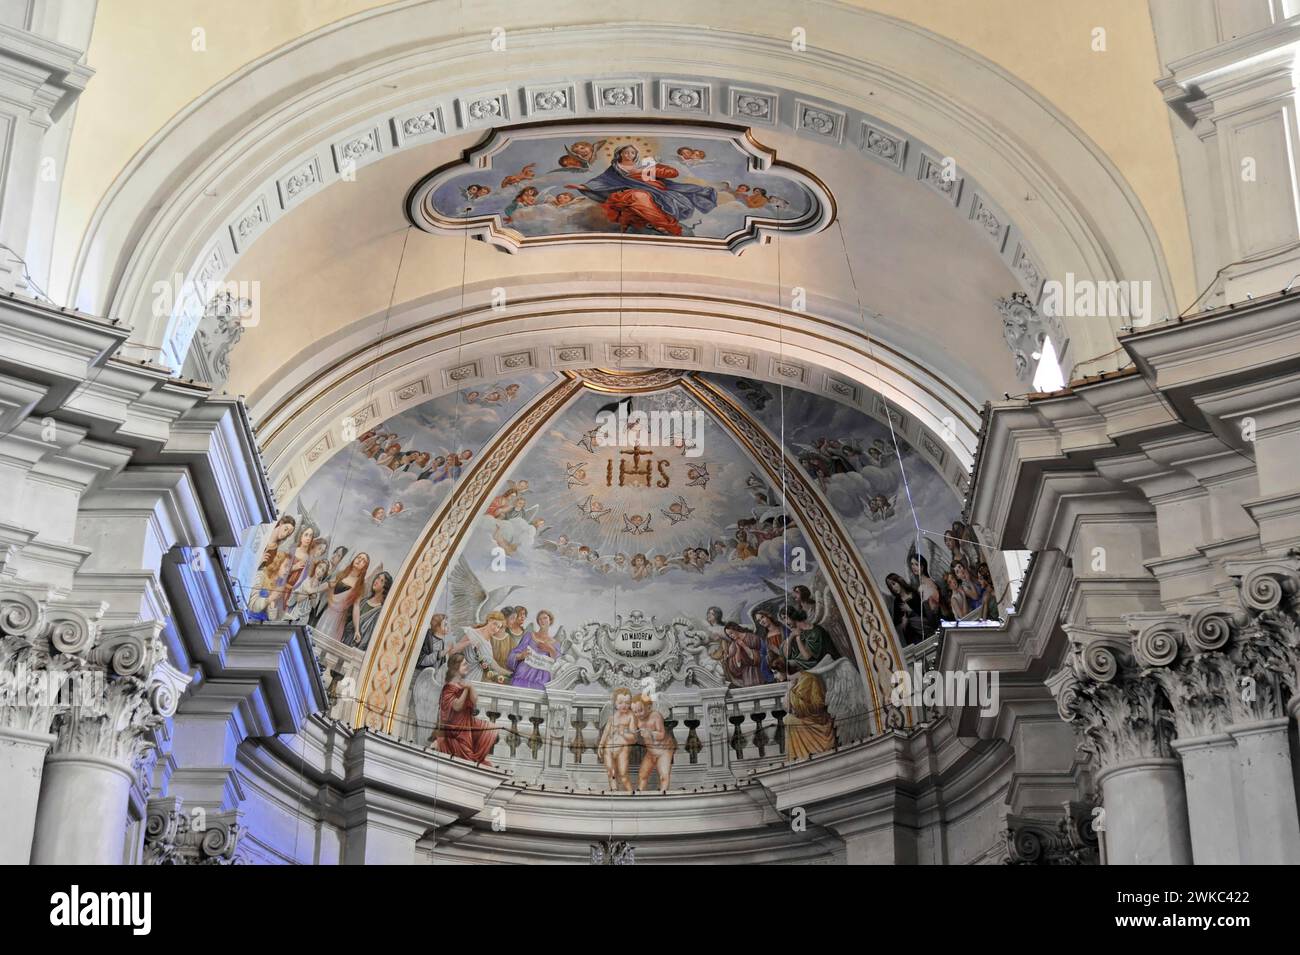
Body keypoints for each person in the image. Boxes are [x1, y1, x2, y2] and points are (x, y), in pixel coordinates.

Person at [565, 144, 717, 236]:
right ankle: (667, 226)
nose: (629, 155)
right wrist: (584, 187)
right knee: (638, 195)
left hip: (658, 192)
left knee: (643, 195)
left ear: (636, 155)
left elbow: (673, 173)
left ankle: (662, 225)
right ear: (620, 154)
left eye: (632, 152)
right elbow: (602, 181)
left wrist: (652, 169)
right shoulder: (615, 169)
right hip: (626, 194)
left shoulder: (645, 167)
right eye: (626, 152)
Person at [434, 653, 498, 764]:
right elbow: (457, 706)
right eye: (464, 664)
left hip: (466, 723)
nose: (467, 666)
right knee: (468, 751)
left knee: (492, 729)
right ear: (456, 667)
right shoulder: (448, 687)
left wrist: (470, 687)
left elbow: (474, 700)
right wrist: (466, 690)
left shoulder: (462, 684)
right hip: (455, 728)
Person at [315, 553, 371, 643]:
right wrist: (313, 590)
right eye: (359, 557)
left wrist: (357, 630)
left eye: (363, 560)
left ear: (365, 567)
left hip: (339, 619)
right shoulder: (342, 574)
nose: (360, 560)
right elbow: (328, 585)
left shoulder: (360, 585)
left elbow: (356, 607)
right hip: (327, 613)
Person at [784, 670, 836, 760]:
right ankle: (799, 755)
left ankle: (802, 755)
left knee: (790, 720)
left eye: (776, 673)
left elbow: (815, 706)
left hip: (817, 720)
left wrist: (791, 692)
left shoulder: (809, 679)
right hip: (808, 716)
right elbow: (789, 708)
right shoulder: (798, 681)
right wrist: (790, 691)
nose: (776, 677)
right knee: (788, 719)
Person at [597, 688, 639, 792]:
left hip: (622, 749)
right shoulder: (612, 716)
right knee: (611, 772)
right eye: (620, 702)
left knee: (623, 774)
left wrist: (623, 733)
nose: (624, 705)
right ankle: (614, 791)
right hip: (609, 748)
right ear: (615, 703)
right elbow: (606, 731)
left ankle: (630, 794)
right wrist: (601, 744)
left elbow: (634, 738)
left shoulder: (631, 716)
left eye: (627, 702)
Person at [631, 694, 675, 792]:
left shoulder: (656, 716)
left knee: (664, 775)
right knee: (642, 774)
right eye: (635, 712)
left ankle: (663, 793)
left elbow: (662, 734)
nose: (638, 714)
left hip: (664, 751)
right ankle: (640, 792)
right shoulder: (636, 719)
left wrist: (650, 734)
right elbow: (634, 733)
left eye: (640, 710)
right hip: (651, 752)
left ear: (649, 707)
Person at [507, 609, 561, 690]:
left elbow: (558, 664)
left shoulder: (556, 644)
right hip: (522, 676)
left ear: (550, 620)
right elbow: (513, 655)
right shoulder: (529, 636)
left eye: (545, 618)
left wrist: (550, 649)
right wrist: (521, 656)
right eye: (540, 619)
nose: (542, 621)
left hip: (541, 681)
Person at [341, 570, 392, 651]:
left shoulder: (380, 611)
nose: (376, 581)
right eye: (377, 578)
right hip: (346, 641)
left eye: (381, 581)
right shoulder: (363, 601)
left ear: (385, 588)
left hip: (360, 648)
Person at [781, 606, 833, 670]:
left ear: (792, 615)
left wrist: (798, 638)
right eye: (783, 620)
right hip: (806, 666)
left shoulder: (815, 631)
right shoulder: (797, 632)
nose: (785, 622)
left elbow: (808, 657)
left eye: (785, 618)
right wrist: (791, 636)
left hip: (821, 664)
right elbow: (787, 655)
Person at [885, 572, 925, 645]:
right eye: (891, 587)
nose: (893, 588)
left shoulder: (914, 594)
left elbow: (925, 613)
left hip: (924, 630)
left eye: (893, 584)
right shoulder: (897, 603)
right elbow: (896, 625)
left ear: (899, 581)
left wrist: (910, 610)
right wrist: (903, 624)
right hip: (913, 639)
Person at [721, 621, 763, 687]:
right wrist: (738, 649)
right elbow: (738, 664)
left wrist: (743, 645)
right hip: (745, 673)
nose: (731, 636)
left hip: (757, 670)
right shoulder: (733, 645)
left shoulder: (752, 638)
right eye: (729, 635)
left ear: (736, 629)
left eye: (731, 633)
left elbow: (756, 656)